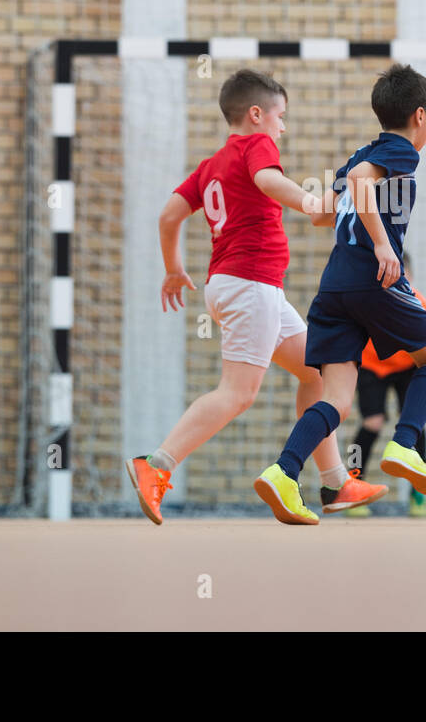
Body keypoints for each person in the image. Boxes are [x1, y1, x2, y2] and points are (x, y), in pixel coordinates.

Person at [126, 69, 386, 524]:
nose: (282, 127)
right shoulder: (257, 146)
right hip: (250, 285)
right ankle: (156, 465)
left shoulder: (210, 167)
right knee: (237, 393)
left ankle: (335, 483)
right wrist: (310, 202)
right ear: (256, 114)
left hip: (234, 285)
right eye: (280, 117)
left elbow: (169, 216)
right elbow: (267, 181)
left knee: (318, 375)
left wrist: (173, 269)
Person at [253, 64, 426, 524]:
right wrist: (383, 244)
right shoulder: (399, 152)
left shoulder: (360, 153)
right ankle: (404, 446)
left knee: (335, 399)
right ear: (420, 116)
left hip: (335, 285)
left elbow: (323, 213)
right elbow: (362, 184)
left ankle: (284, 472)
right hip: (373, 278)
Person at [346, 253, 426, 518]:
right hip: (372, 366)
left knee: (414, 424)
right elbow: (347, 343)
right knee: (372, 422)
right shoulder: (366, 305)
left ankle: (419, 492)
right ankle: (352, 484)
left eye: (401, 277)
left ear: (410, 278)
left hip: (408, 366)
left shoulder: (421, 305)